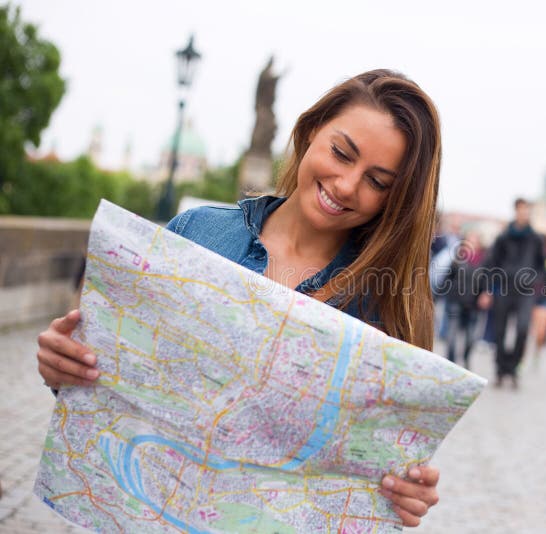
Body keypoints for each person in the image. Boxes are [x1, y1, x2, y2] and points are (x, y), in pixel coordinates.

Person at [35, 69, 442, 527]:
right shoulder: (196, 233)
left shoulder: (385, 306)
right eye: (341, 153)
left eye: (378, 182)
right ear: (309, 132)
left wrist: (405, 493)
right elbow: (117, 380)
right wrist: (64, 367)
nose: (347, 185)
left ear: (396, 199)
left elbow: (380, 472)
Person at [480, 198, 544, 388]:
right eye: (521, 210)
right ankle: (500, 369)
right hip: (503, 289)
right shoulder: (504, 237)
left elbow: (542, 266)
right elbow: (491, 264)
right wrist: (487, 290)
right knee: (499, 331)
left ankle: (514, 368)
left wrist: (535, 282)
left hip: (525, 292)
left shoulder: (536, 239)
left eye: (527, 211)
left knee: (523, 329)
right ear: (516, 211)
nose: (524, 214)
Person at [442, 232, 487, 369]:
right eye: (469, 240)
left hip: (473, 305)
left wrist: (486, 293)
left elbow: (486, 281)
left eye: (475, 241)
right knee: (451, 335)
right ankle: (451, 363)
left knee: (471, 338)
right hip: (455, 302)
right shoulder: (457, 259)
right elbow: (447, 279)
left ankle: (466, 358)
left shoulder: (484, 261)